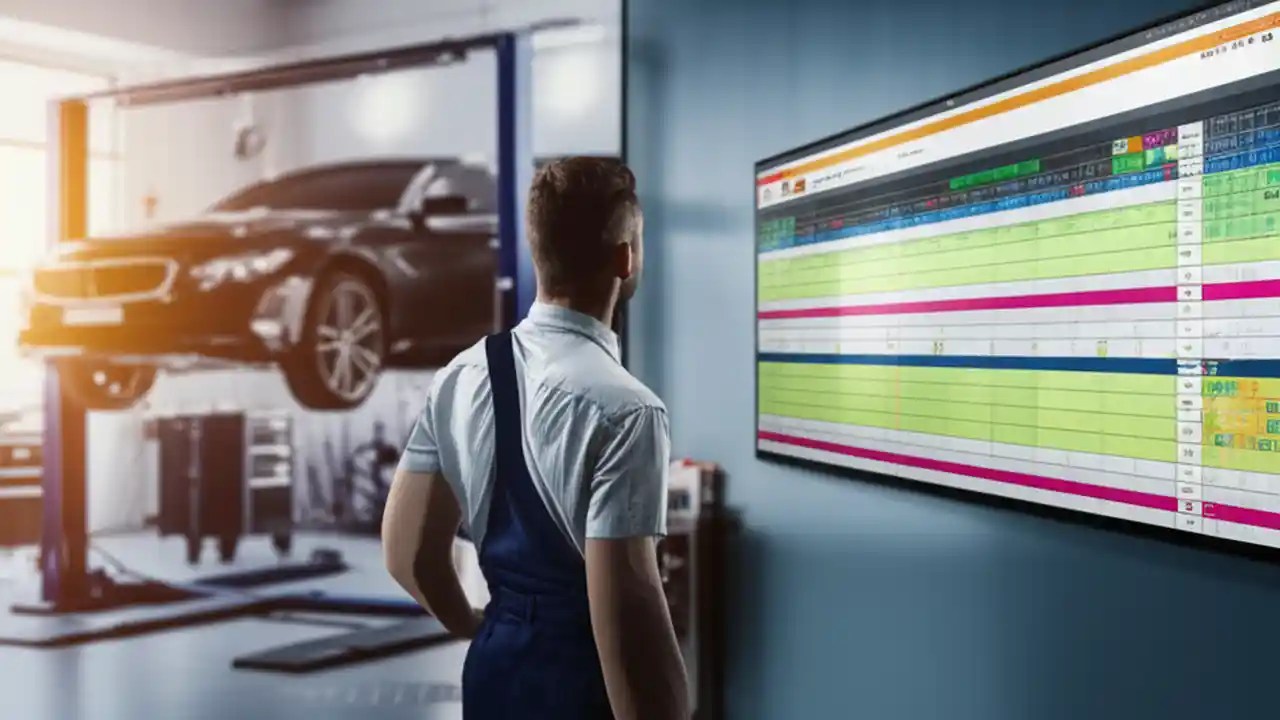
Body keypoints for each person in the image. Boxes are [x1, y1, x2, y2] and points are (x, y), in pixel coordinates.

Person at [382, 157, 689, 720]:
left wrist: (477, 623)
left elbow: (407, 555)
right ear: (625, 257)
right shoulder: (628, 410)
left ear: (539, 252)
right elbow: (628, 626)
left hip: (495, 671)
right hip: (575, 684)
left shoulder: (462, 373)